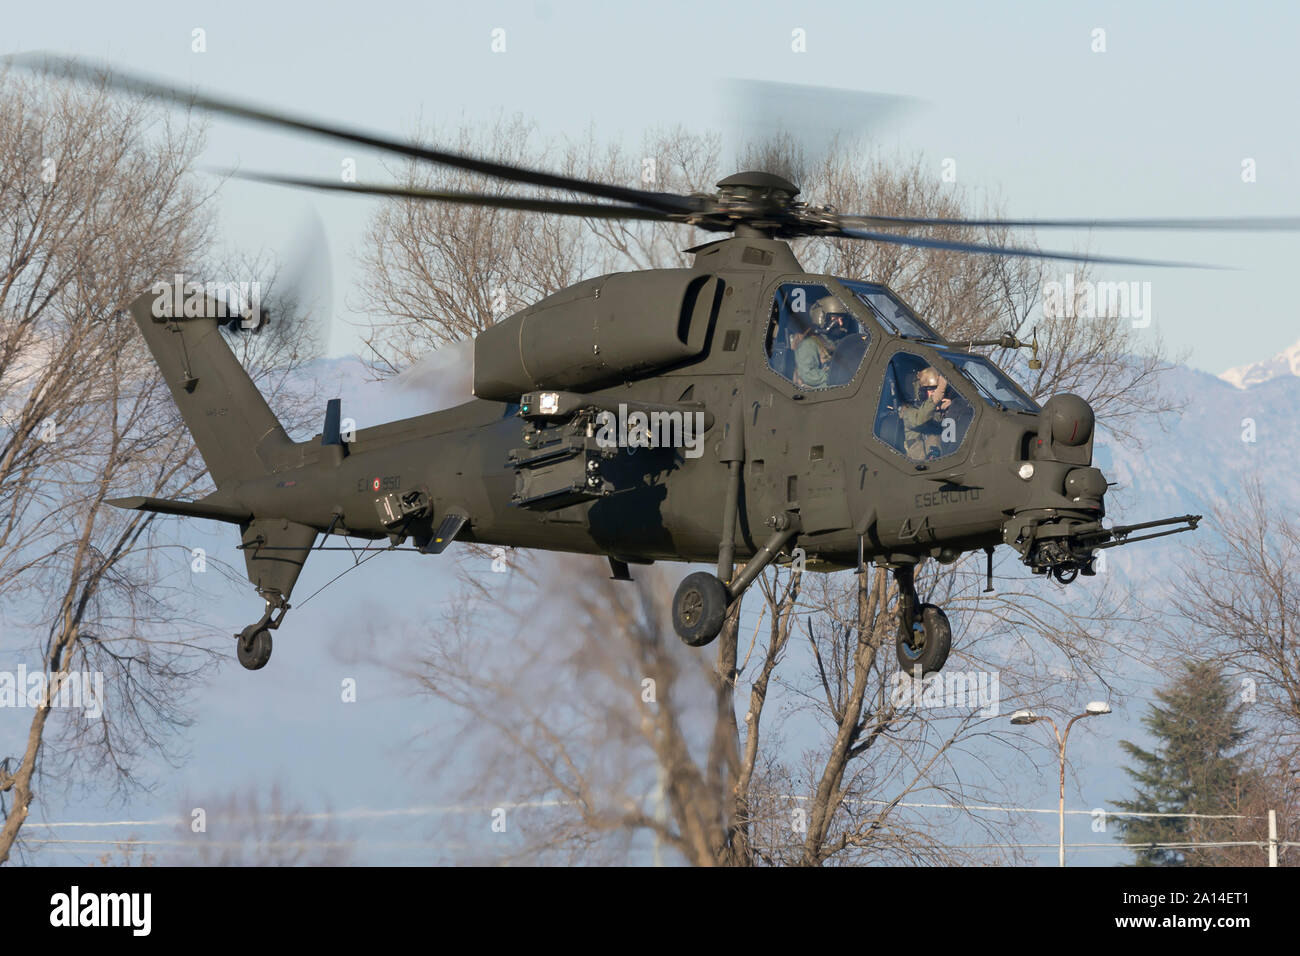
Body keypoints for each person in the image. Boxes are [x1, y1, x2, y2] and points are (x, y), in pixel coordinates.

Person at [793, 295, 854, 388]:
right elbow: (808, 375)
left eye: (842, 319)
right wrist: (834, 375)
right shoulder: (809, 344)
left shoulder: (839, 342)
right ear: (821, 318)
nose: (841, 323)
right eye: (835, 318)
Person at [899, 366, 953, 460]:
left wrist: (950, 409)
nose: (936, 395)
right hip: (917, 465)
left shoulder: (941, 411)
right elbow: (921, 419)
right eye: (932, 391)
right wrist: (939, 392)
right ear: (922, 393)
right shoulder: (909, 412)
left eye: (937, 391)